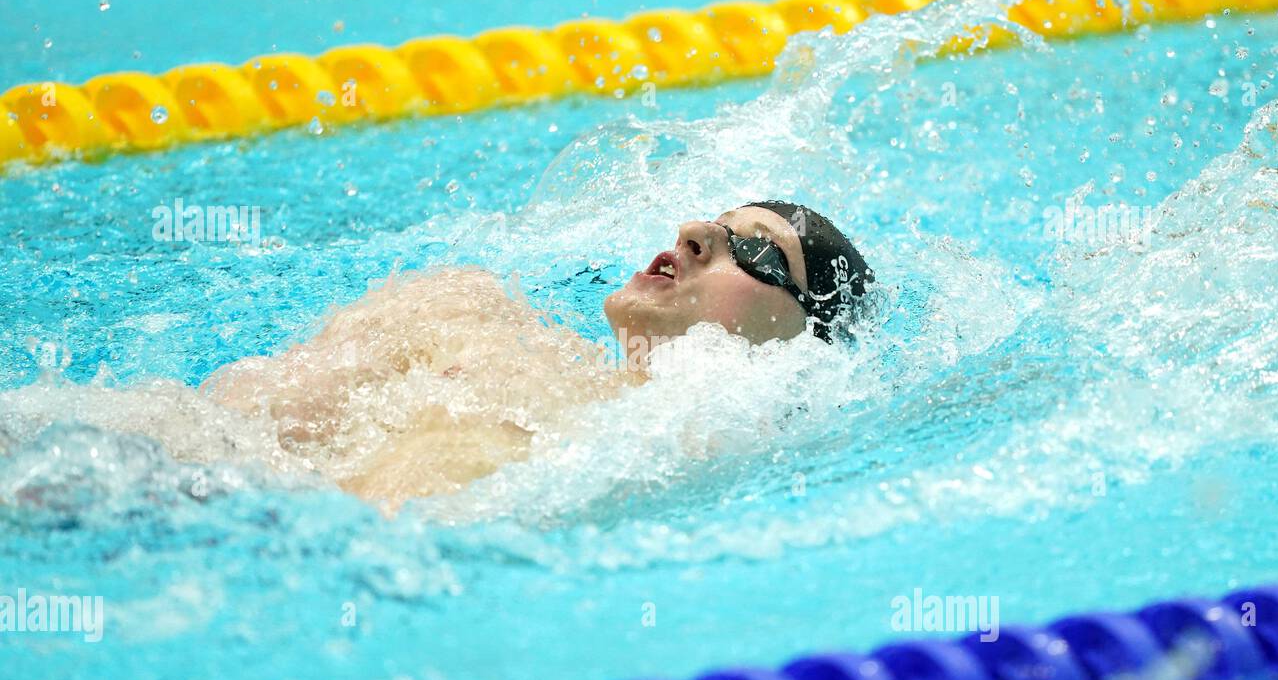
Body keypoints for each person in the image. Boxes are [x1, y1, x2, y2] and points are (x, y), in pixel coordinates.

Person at [202, 201, 873, 508]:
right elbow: (228, 428)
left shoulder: (694, 459)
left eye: (756, 251)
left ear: (801, 346)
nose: (695, 232)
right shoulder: (466, 309)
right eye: (715, 223)